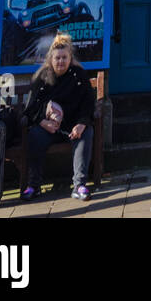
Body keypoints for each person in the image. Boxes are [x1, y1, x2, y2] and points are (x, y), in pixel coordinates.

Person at [21, 33, 95, 201]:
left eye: (64, 58)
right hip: (49, 127)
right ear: (51, 59)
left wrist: (82, 123)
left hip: (73, 126)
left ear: (70, 58)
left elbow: (88, 103)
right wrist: (43, 122)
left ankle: (80, 185)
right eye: (57, 58)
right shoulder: (42, 77)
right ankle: (33, 185)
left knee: (87, 133)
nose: (61, 61)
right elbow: (31, 108)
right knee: (34, 136)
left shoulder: (79, 75)